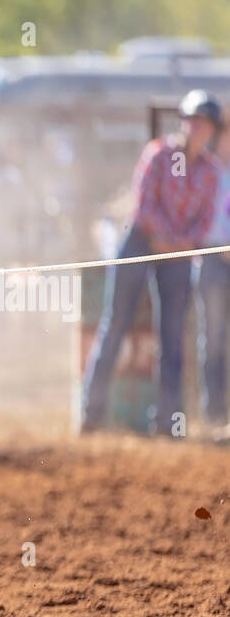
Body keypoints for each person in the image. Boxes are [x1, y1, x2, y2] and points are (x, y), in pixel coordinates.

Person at [80, 89, 222, 434]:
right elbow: (144, 206)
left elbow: (204, 222)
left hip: (177, 251)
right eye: (193, 121)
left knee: (172, 337)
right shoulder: (158, 154)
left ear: (211, 130)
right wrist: (165, 239)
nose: (198, 128)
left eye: (204, 124)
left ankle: (167, 423)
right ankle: (91, 414)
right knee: (115, 323)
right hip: (142, 240)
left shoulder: (212, 172)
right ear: (185, 123)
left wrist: (178, 243)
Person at [195, 123, 230, 428]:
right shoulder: (206, 173)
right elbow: (199, 217)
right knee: (214, 338)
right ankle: (214, 412)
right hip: (212, 261)